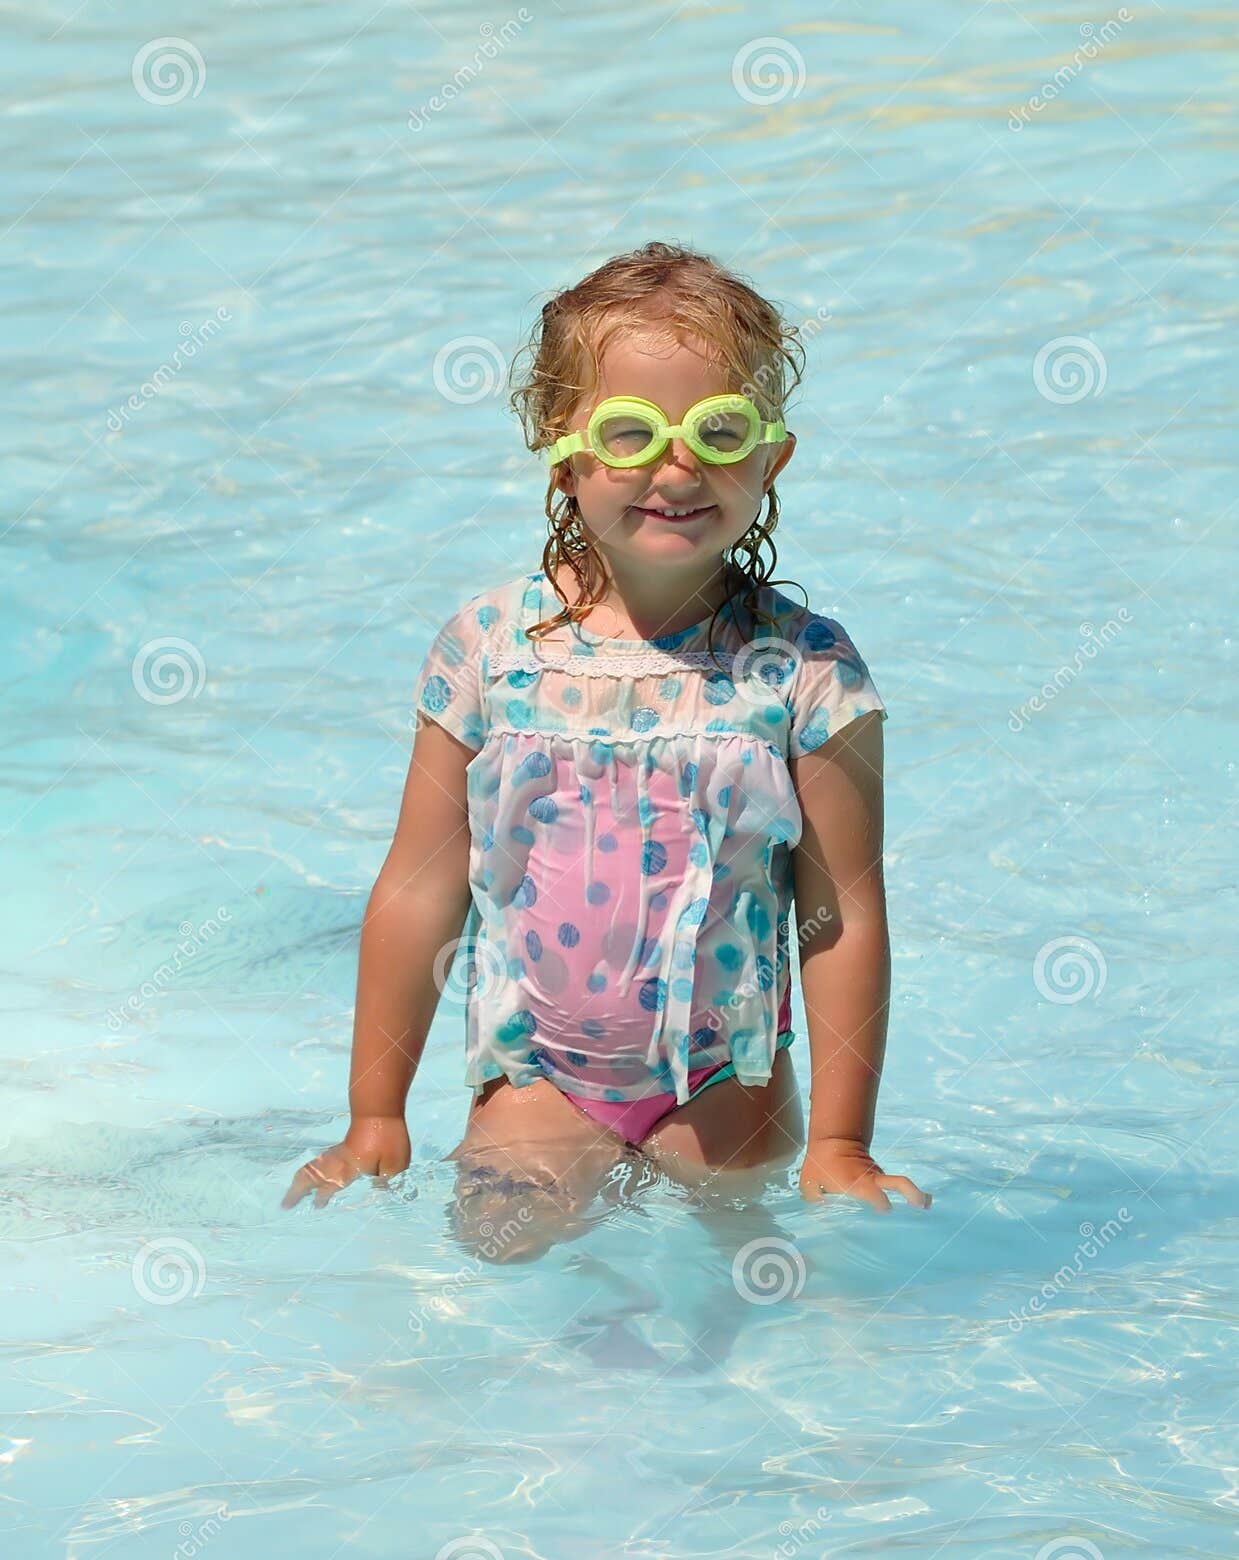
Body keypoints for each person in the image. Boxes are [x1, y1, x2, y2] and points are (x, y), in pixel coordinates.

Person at [283, 240, 931, 1251]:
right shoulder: (489, 652)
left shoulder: (806, 672)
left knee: (750, 1300)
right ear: (563, 446)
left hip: (730, 1090)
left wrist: (841, 1143)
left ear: (773, 457)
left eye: (720, 432)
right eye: (633, 433)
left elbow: (839, 912)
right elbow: (419, 888)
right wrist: (376, 1115)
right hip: (538, 1078)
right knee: (496, 1260)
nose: (678, 469)